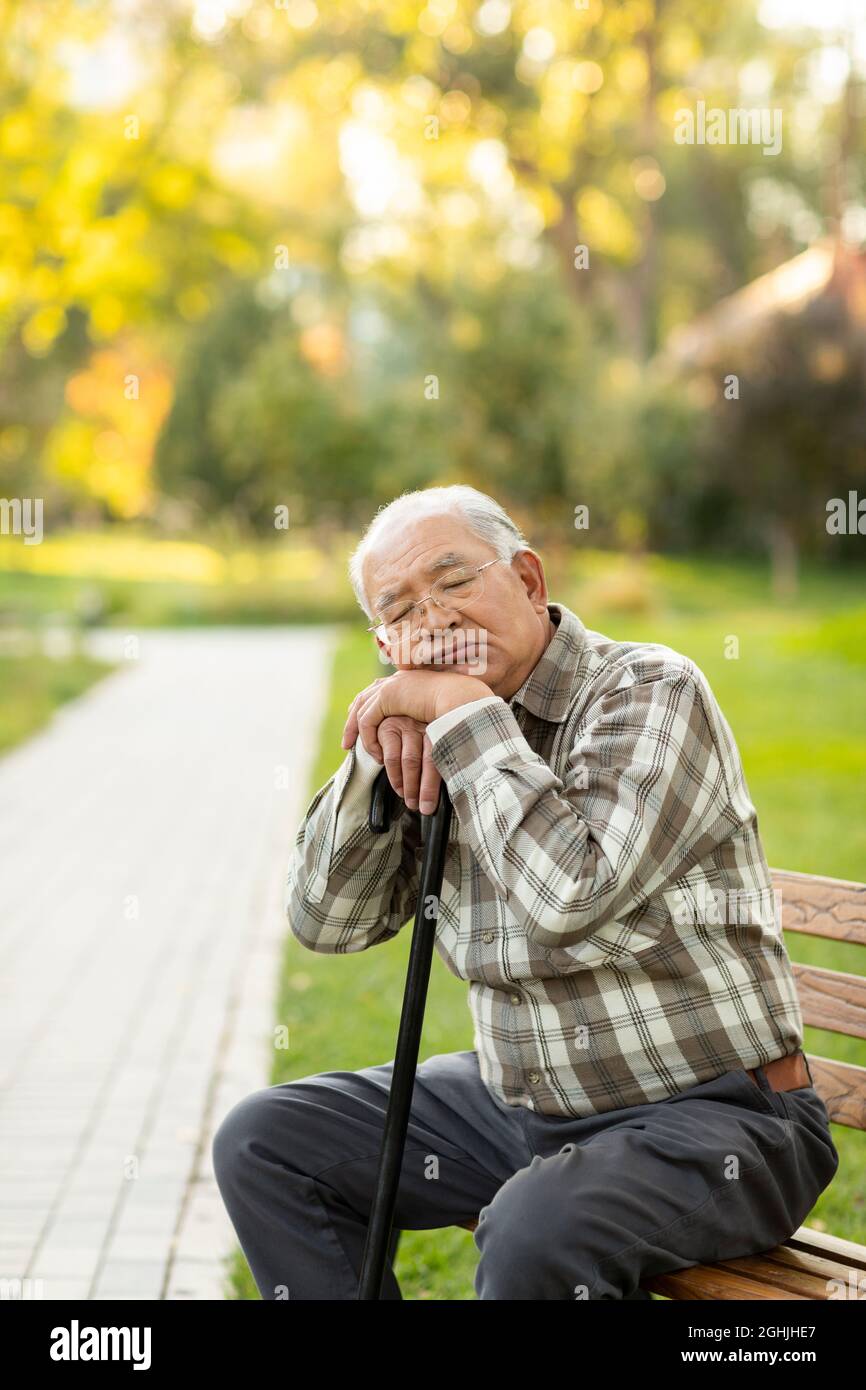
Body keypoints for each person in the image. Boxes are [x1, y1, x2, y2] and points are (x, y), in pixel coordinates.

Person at [212, 484, 839, 1300]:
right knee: (265, 1141)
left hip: (722, 1120)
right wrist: (373, 753)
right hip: (523, 1107)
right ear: (383, 642)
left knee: (534, 1228)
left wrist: (468, 720)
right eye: (400, 610)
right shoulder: (428, 729)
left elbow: (572, 896)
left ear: (531, 580)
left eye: (455, 581)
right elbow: (328, 923)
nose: (432, 620)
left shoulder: (648, 691)